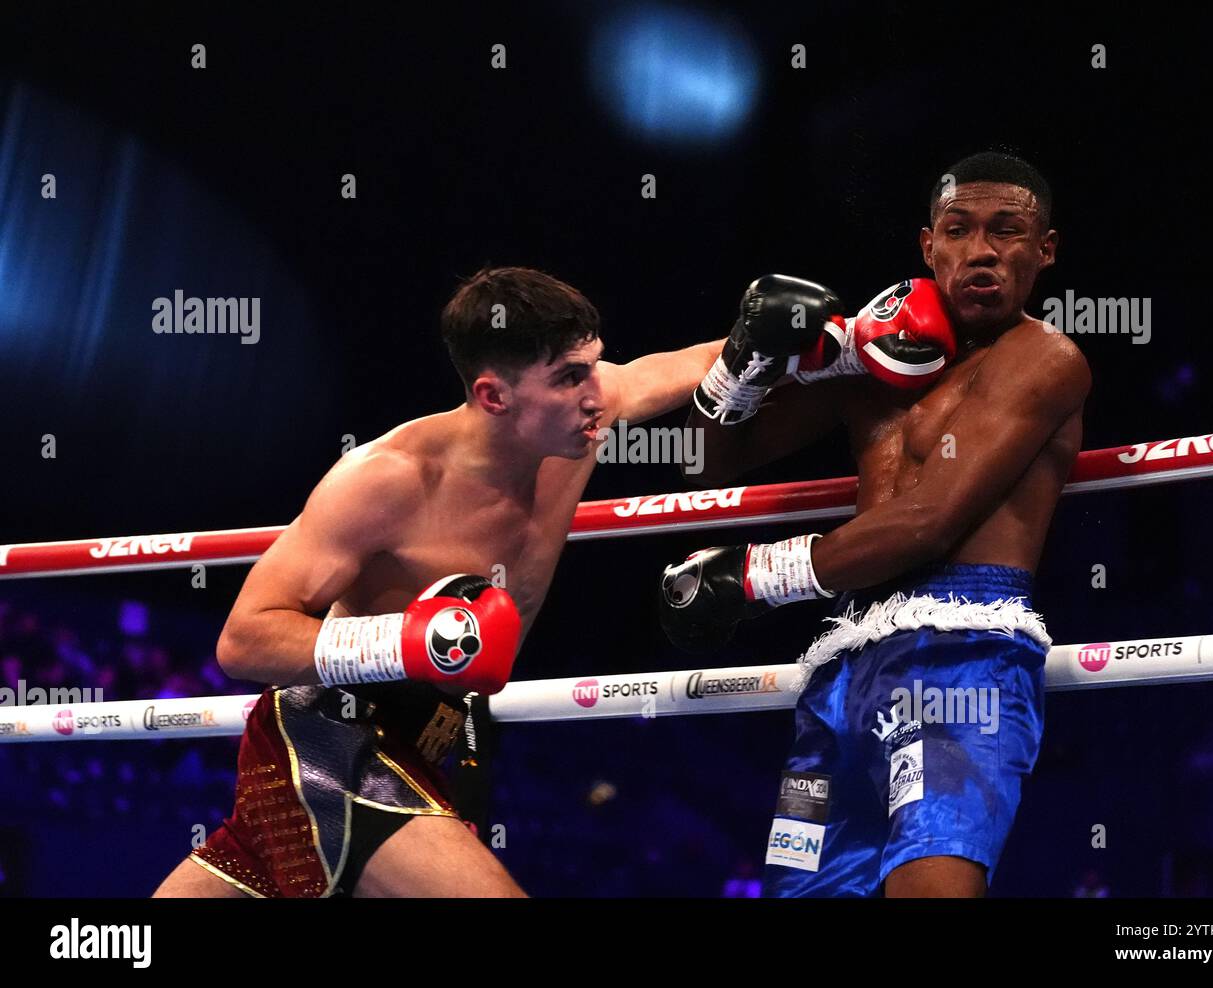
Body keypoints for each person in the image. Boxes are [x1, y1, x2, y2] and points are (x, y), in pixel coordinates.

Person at [153, 266, 723, 897]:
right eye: (568, 376)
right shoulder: (387, 479)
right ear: (493, 396)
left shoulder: (580, 414)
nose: (597, 393)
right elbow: (242, 641)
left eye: (593, 364)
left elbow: (698, 362)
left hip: (426, 744)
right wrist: (410, 640)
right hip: (332, 742)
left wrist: (823, 337)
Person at [659, 152, 1090, 897]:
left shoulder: (1044, 358)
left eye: (1008, 232)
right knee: (802, 887)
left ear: (1044, 250)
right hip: (838, 679)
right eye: (959, 230)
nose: (982, 250)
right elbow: (706, 467)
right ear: (929, 247)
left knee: (933, 886)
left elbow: (929, 522)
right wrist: (744, 358)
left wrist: (752, 576)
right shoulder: (873, 364)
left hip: (962, 662)